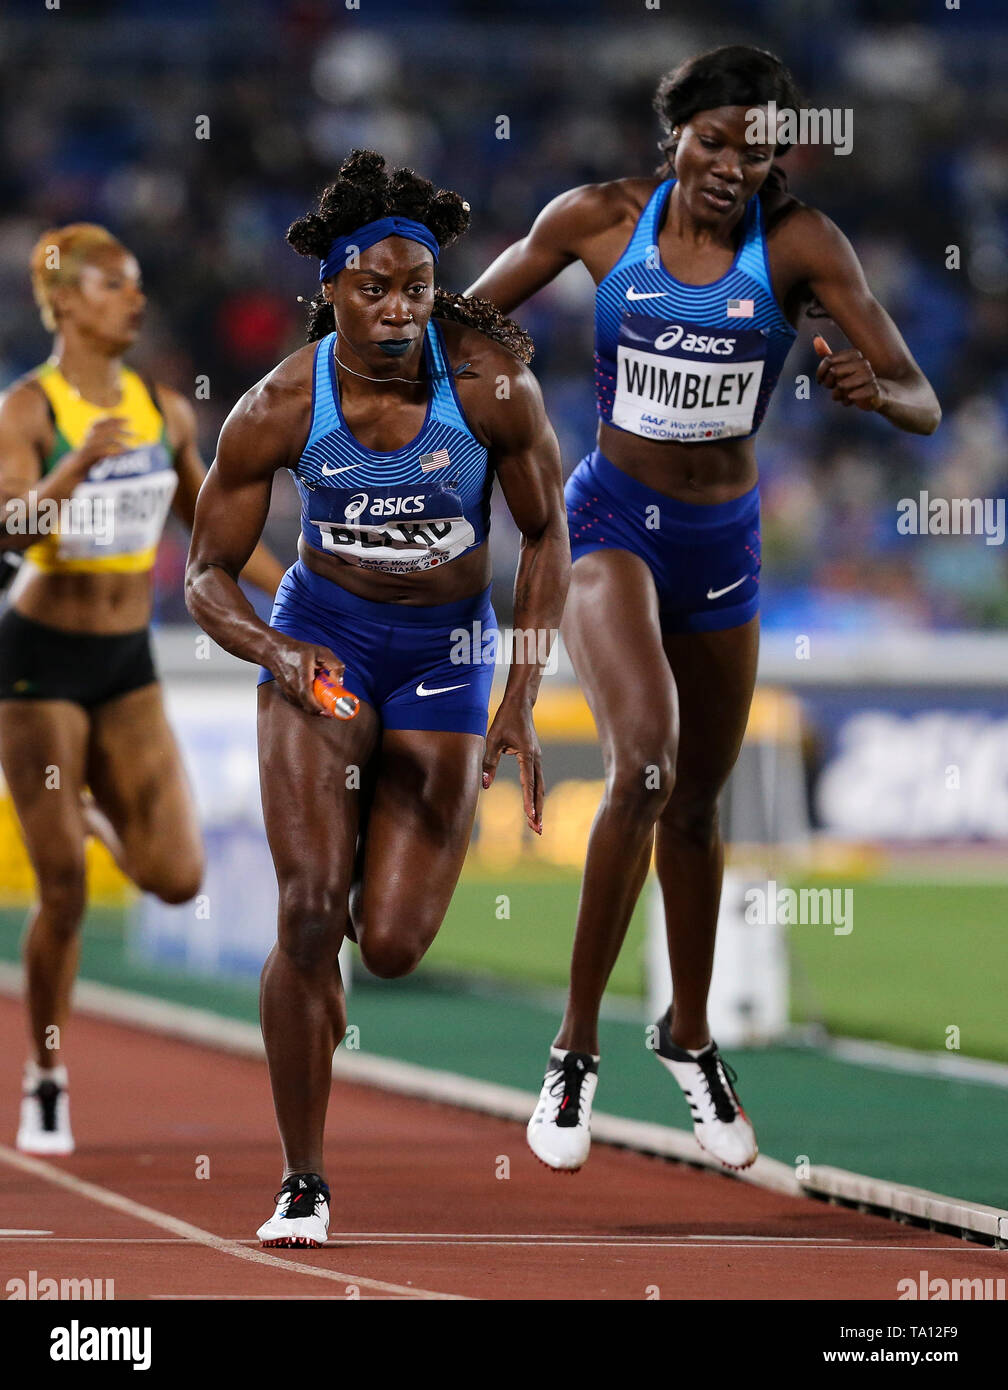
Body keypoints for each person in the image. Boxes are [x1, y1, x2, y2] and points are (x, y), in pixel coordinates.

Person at [468, 45, 941, 1174]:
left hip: (725, 548)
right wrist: (480, 393)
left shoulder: (802, 245)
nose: (734, 165)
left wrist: (878, 393)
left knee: (697, 804)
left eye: (757, 147)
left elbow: (921, 400)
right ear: (675, 133)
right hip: (610, 526)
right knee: (642, 762)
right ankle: (573, 1048)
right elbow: (463, 316)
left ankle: (688, 1033)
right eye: (715, 141)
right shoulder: (597, 220)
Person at [184, 150, 569, 1247]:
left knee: (393, 945)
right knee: (309, 912)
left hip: (449, 651)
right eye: (375, 289)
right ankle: (304, 1179)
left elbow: (548, 533)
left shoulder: (491, 385)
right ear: (333, 290)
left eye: (416, 289)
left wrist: (521, 691)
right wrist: (273, 649)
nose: (399, 312)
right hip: (326, 637)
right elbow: (205, 575)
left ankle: (349, 917)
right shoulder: (274, 407)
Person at [0, 223, 285, 1155]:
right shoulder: (31, 409)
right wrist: (77, 467)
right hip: (39, 660)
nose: (139, 299)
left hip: (125, 665)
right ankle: (46, 1072)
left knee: (175, 876)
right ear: (69, 302)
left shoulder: (166, 411)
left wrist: (304, 599)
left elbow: (214, 527)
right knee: (67, 891)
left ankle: (84, 809)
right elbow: (9, 529)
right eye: (118, 286)